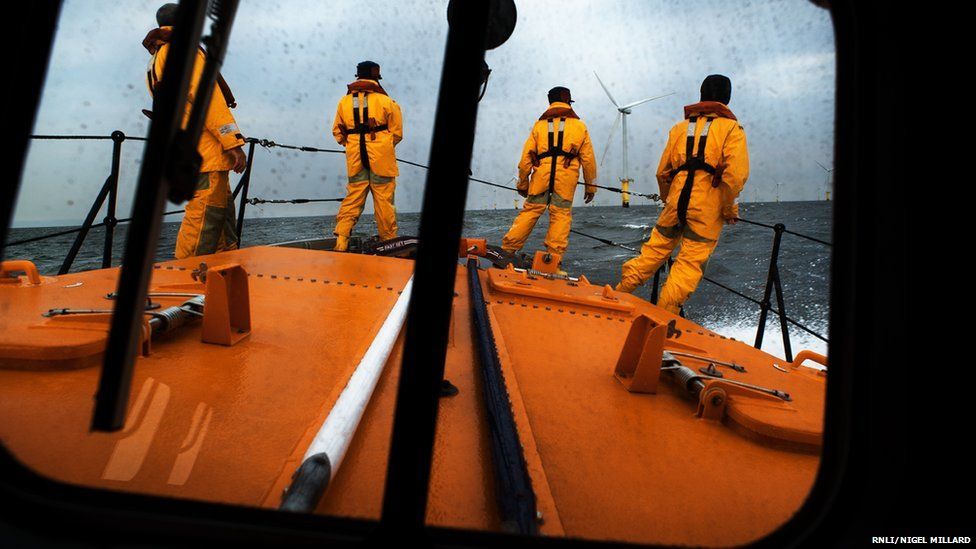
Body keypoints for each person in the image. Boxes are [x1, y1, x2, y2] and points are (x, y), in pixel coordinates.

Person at [615, 74, 749, 314]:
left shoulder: (678, 129)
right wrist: (729, 209)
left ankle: (617, 294)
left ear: (701, 95)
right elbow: (734, 177)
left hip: (674, 205)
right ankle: (663, 316)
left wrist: (668, 199)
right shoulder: (732, 129)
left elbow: (661, 172)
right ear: (727, 98)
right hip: (705, 211)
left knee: (653, 252)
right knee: (688, 264)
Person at [143, 3, 248, 259]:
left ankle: (225, 270)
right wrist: (233, 143)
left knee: (222, 217)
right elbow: (207, 99)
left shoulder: (157, 57)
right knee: (204, 219)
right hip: (205, 152)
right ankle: (186, 275)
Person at [501, 86, 597, 266]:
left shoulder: (539, 126)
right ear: (568, 101)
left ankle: (506, 252)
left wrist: (523, 184)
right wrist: (590, 186)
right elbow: (589, 160)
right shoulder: (579, 126)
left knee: (530, 212)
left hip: (540, 177)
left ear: (550, 102)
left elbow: (525, 159)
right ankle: (552, 260)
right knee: (560, 215)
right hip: (566, 178)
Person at [331, 61, 404, 252]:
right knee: (384, 201)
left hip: (355, 156)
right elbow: (397, 133)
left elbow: (337, 132)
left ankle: (341, 241)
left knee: (354, 196)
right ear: (376, 78)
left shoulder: (343, 102)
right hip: (382, 158)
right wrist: (383, 146)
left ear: (358, 77)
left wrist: (351, 143)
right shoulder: (387, 102)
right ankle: (389, 243)